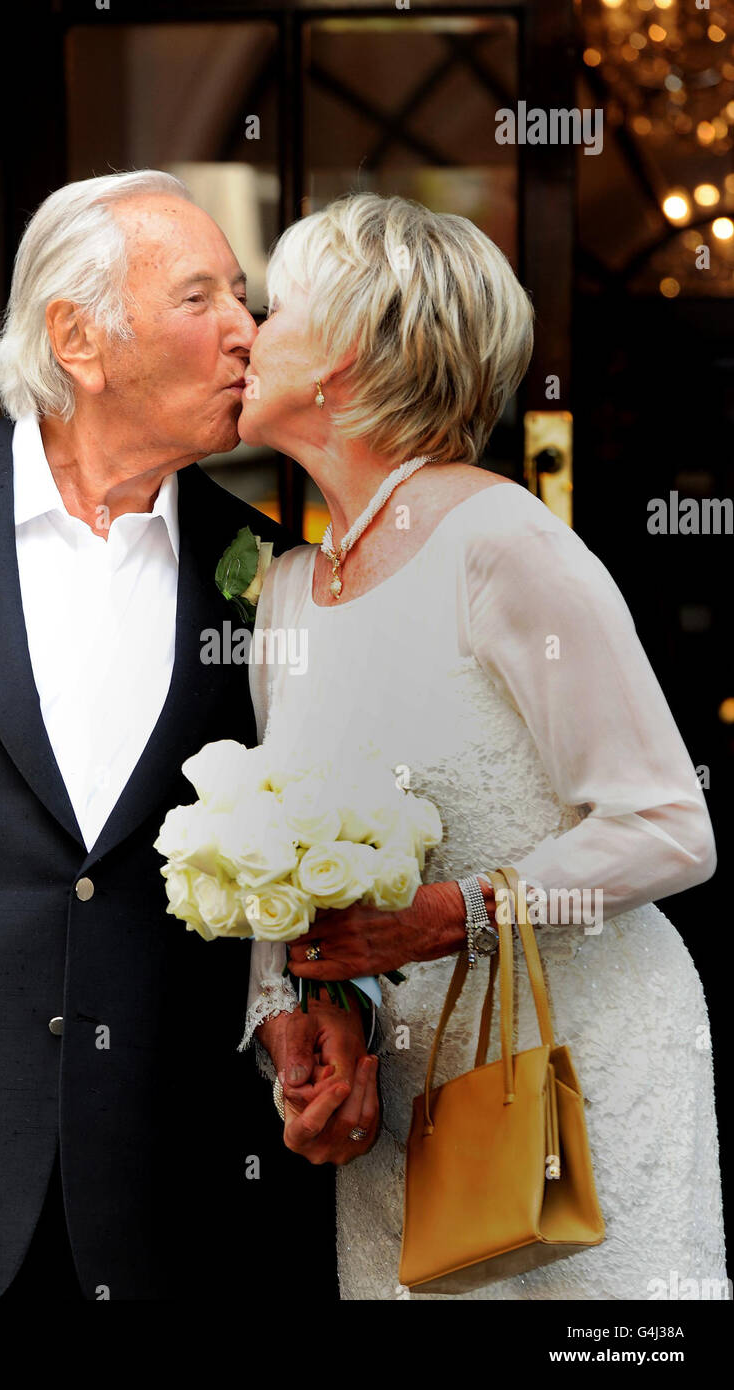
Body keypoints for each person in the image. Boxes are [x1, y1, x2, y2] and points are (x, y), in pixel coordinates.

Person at [0, 170, 365, 1299]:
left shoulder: (261, 574)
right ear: (79, 338)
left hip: (158, 1186)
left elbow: (298, 845)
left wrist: (324, 1003)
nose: (250, 331)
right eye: (205, 299)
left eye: (243, 298)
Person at [239, 192, 726, 1300]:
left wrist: (455, 914)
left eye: (273, 309)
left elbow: (669, 825)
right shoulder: (281, 595)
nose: (244, 335)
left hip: (577, 1072)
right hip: (410, 1098)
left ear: (349, 352)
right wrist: (314, 1024)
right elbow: (302, 868)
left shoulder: (502, 544)